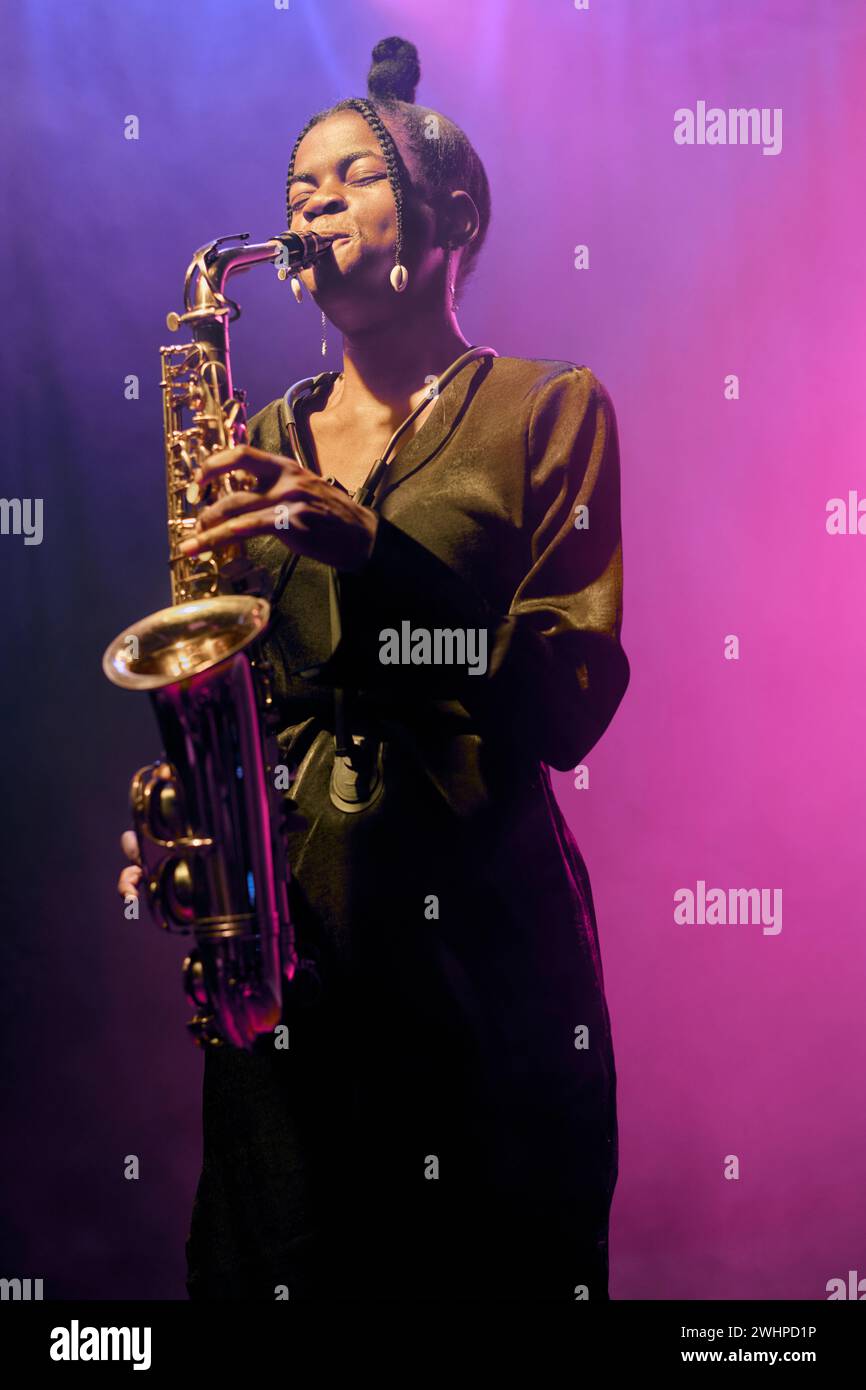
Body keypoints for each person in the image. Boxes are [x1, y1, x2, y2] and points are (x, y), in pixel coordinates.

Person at [118, 35, 630, 1302]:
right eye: (296, 190)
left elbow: (568, 703)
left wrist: (373, 549)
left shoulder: (547, 407)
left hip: (481, 980)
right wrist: (188, 816)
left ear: (448, 216)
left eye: (347, 178)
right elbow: (223, 673)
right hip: (287, 963)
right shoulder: (253, 437)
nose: (306, 207)